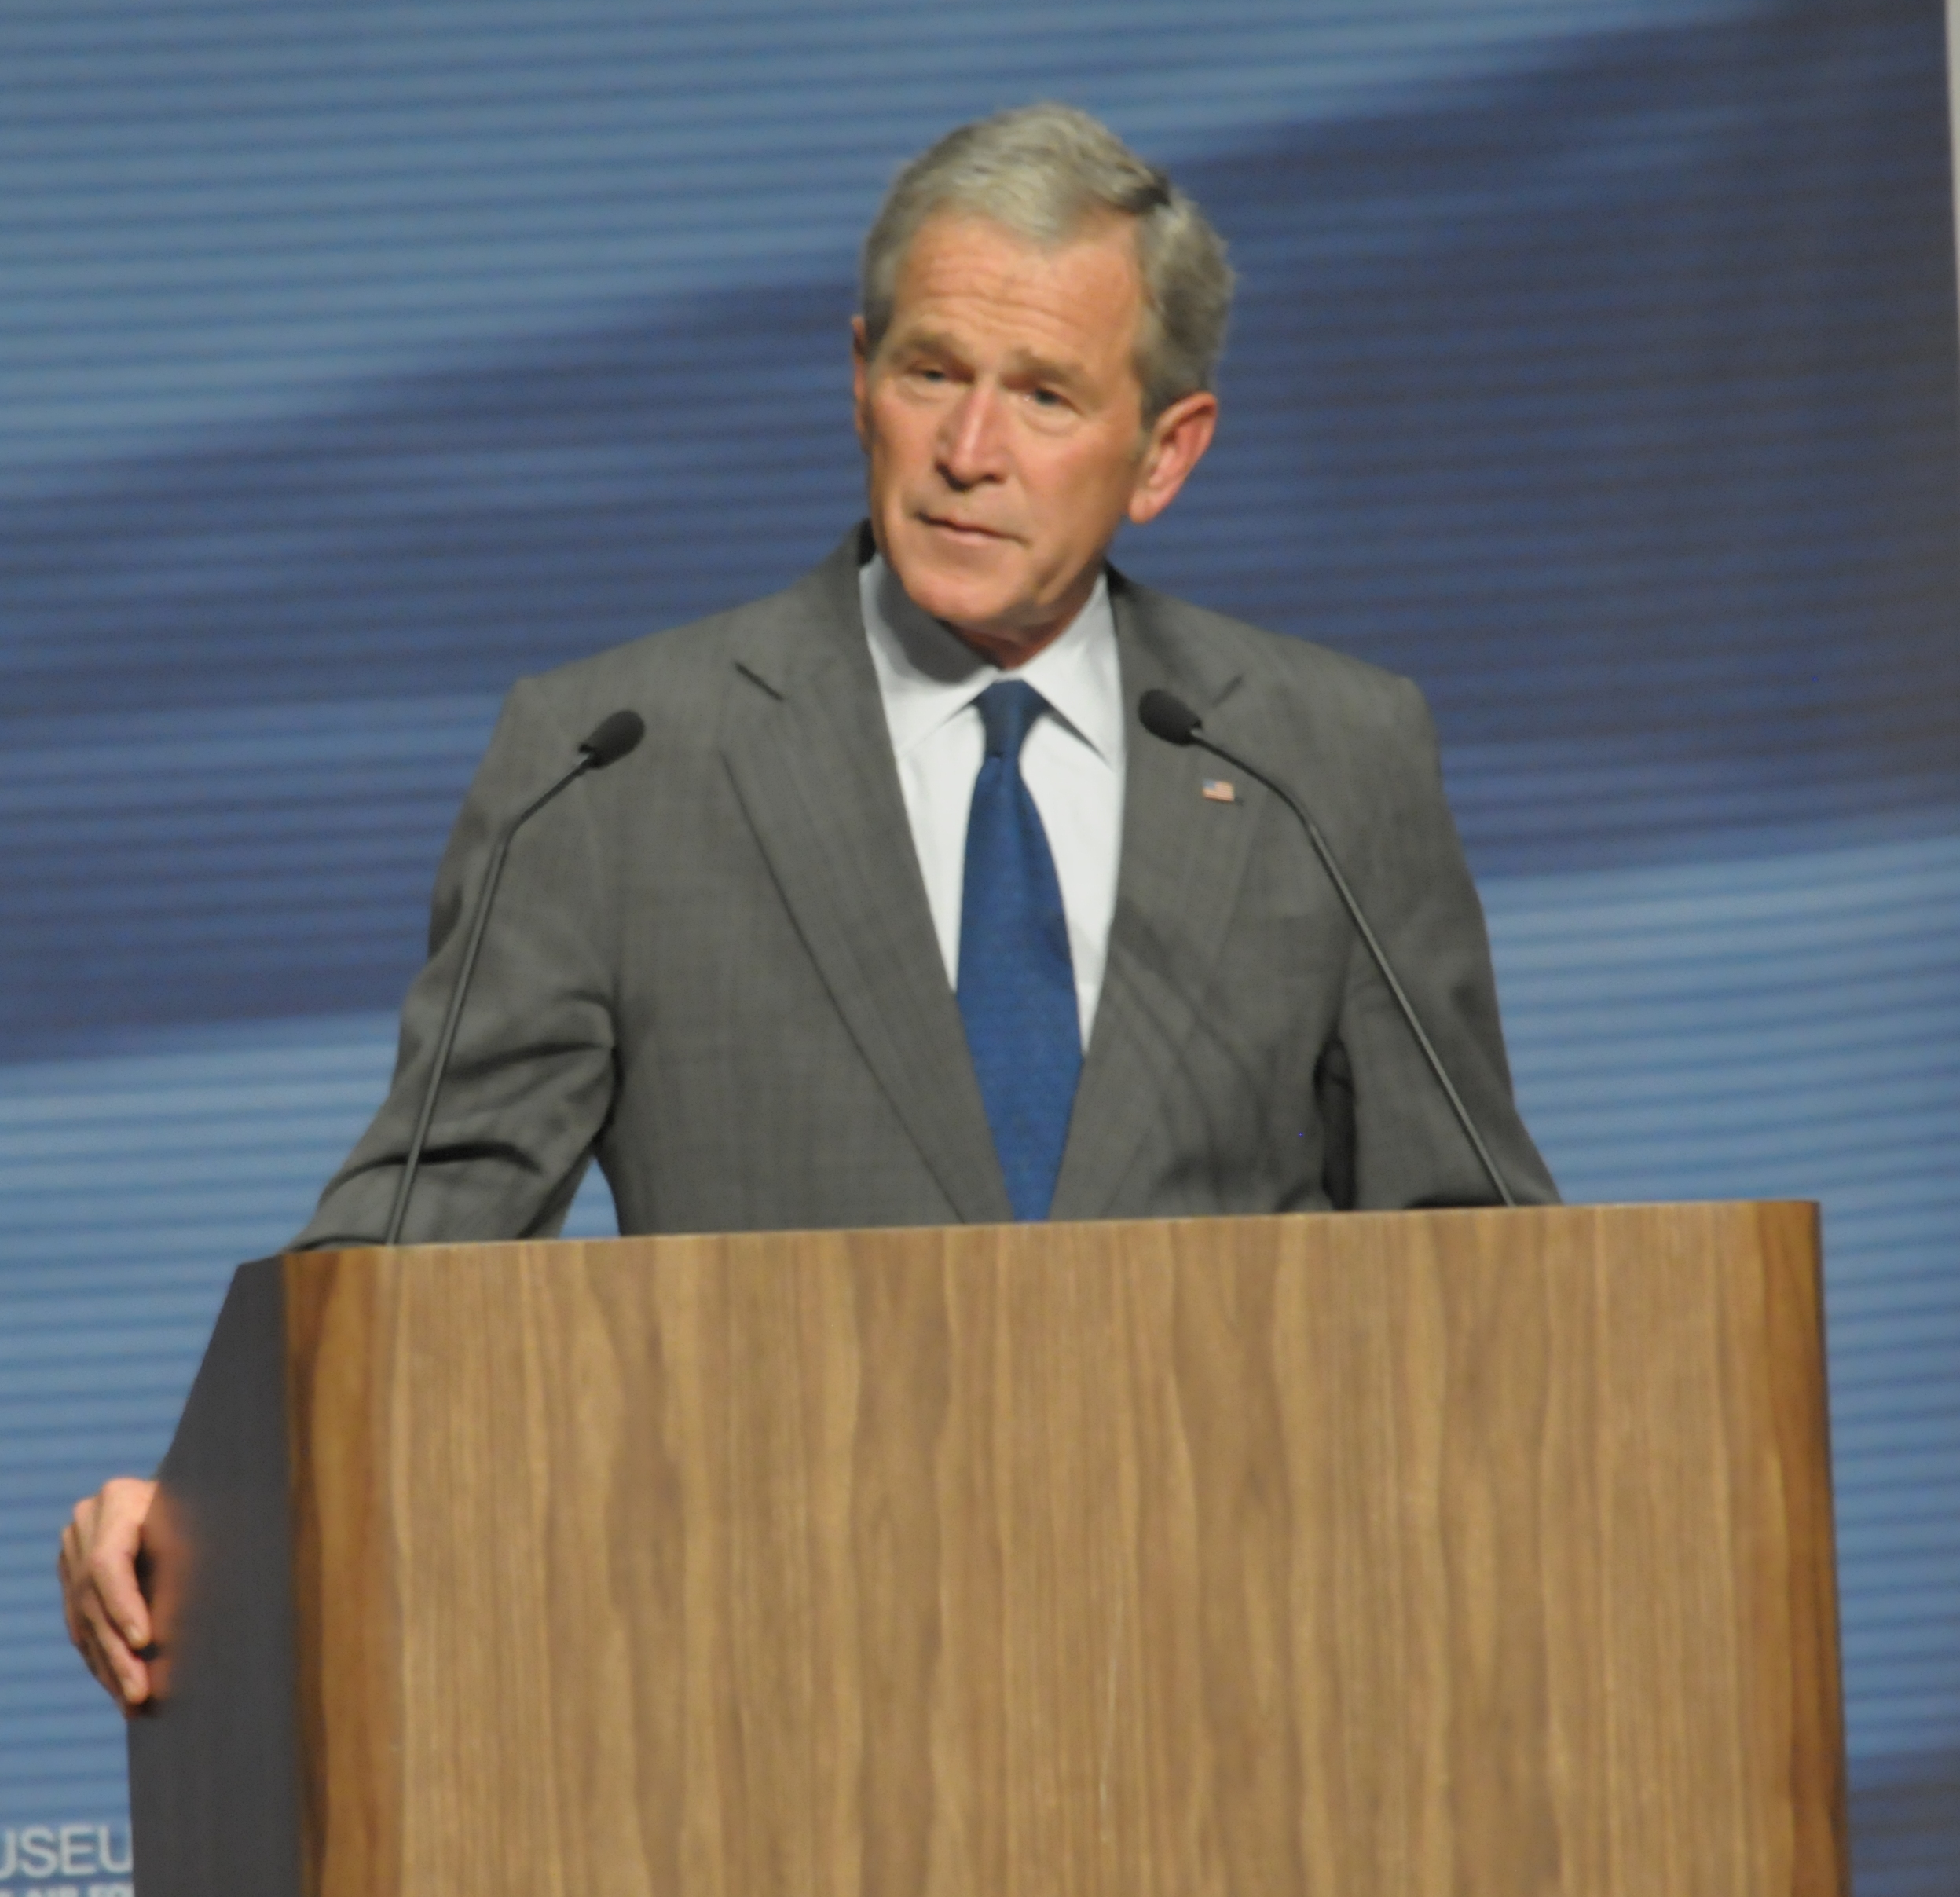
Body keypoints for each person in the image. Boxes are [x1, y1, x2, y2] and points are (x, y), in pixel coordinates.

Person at [60, 104, 1557, 1712]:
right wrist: (203, 1498)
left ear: (1166, 451)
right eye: (930, 373)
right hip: (782, 1677)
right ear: (857, 377)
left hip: (1251, 1664)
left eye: (1045, 396)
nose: (969, 450)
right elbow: (418, 1227)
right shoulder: (616, 761)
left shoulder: (1324, 757)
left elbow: (1474, 1251)